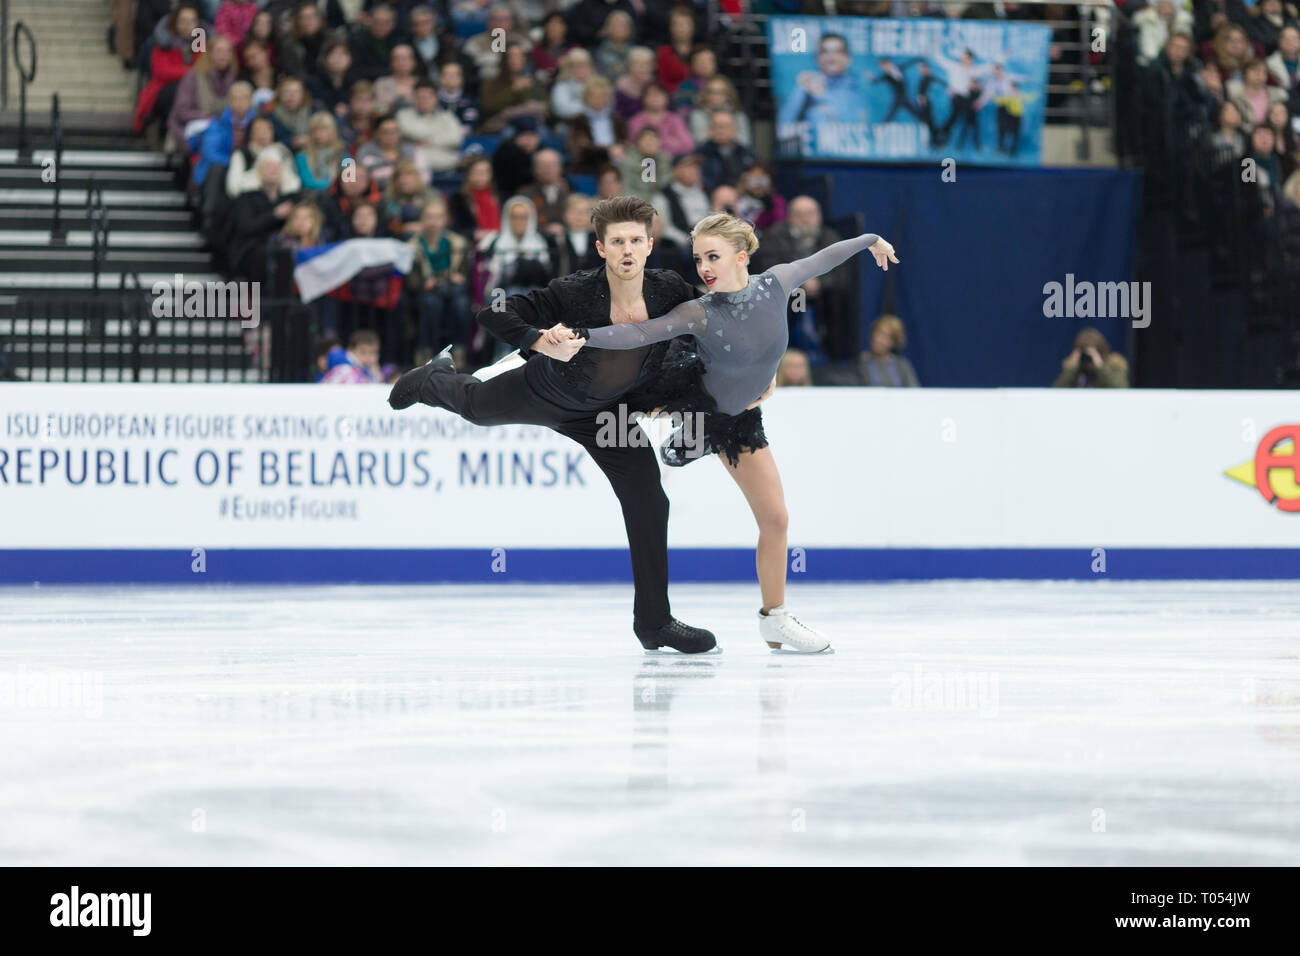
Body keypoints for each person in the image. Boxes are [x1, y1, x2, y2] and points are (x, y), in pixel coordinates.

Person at [387, 196, 717, 654]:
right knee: (477, 408)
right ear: (601, 247)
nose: (626, 249)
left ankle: (654, 622)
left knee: (649, 499)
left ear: (649, 245)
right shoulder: (576, 290)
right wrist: (538, 340)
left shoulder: (669, 290)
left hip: (608, 416)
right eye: (617, 241)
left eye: (635, 241)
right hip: (549, 391)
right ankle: (434, 378)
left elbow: (714, 324)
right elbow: (493, 312)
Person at [564, 214, 898, 652]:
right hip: (696, 399)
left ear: (742, 257)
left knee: (776, 518)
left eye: (713, 256)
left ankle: (774, 618)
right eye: (699, 257)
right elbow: (639, 332)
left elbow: (824, 258)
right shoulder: (697, 312)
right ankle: (685, 437)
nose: (703, 266)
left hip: (737, 419)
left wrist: (872, 237)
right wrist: (578, 336)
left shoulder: (777, 283)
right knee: (652, 400)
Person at [407, 197, 472, 360]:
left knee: (462, 304)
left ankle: (459, 351)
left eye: (438, 217)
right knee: (431, 303)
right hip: (425, 293)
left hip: (453, 291)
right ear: (422, 219)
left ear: (445, 219)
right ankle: (427, 350)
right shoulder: (412, 246)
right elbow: (410, 280)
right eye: (429, 217)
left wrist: (460, 278)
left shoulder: (458, 243)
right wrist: (423, 283)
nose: (433, 222)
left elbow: (468, 275)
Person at [1053, 328, 1130, 387]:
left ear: (1100, 352)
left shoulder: (1114, 366)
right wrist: (1071, 369)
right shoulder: (1074, 370)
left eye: (1090, 356)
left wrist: (1100, 367)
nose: (1088, 360)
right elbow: (1057, 393)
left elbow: (1120, 390)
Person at [857, 315, 920, 387]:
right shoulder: (861, 363)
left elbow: (914, 391)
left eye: (885, 337)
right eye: (877, 334)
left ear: (893, 342)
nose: (879, 340)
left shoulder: (901, 365)